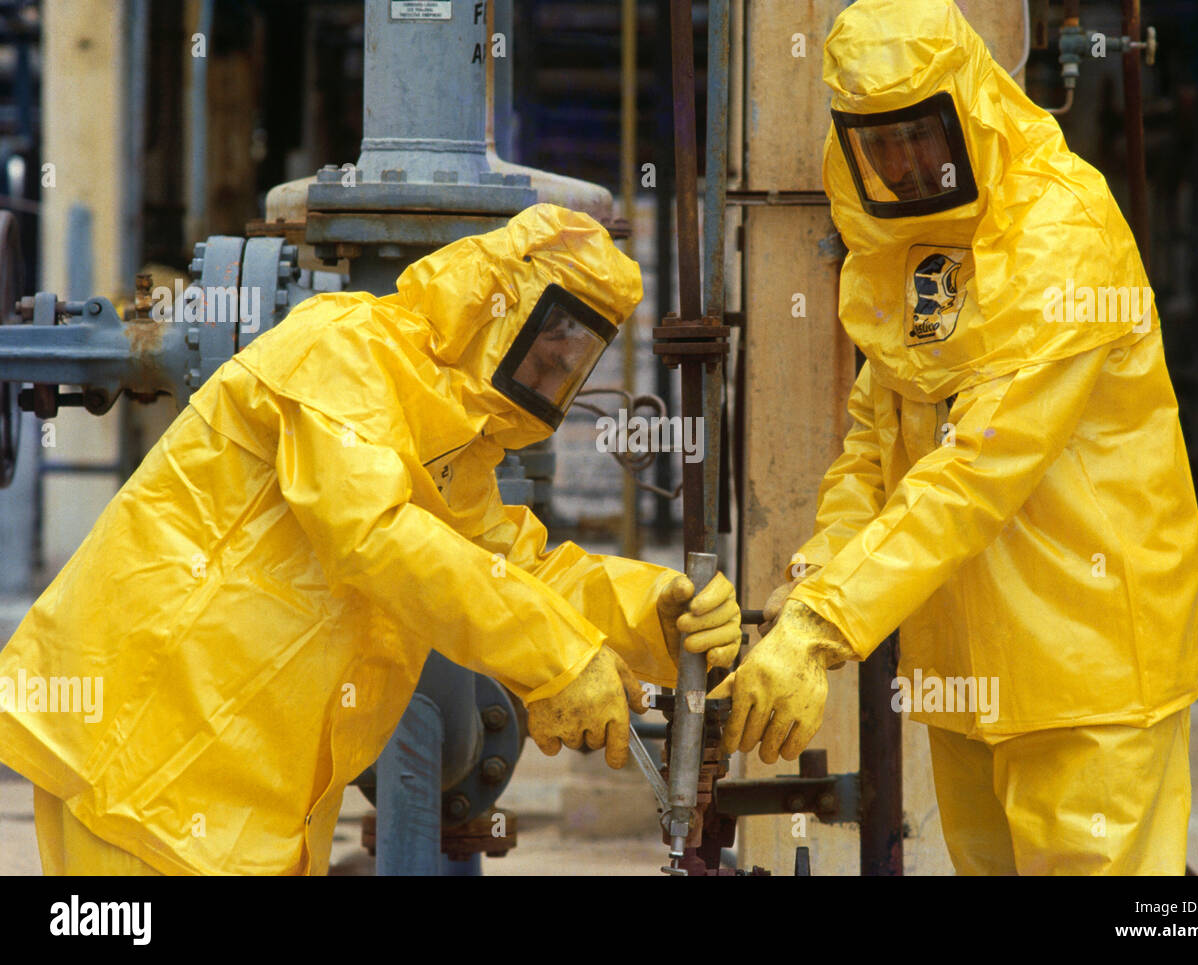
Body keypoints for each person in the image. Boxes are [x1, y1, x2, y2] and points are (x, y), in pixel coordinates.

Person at [0, 203, 741, 875]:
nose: (557, 362)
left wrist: (651, 616)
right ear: (494, 303)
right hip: (145, 758)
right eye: (552, 332)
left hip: (241, 800)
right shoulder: (346, 349)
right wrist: (557, 658)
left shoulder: (452, 447)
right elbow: (375, 534)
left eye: (579, 352)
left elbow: (517, 568)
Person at [713, 0, 1198, 875]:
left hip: (1089, 673)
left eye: (920, 138)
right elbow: (874, 451)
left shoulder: (1061, 235)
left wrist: (826, 625)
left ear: (970, 107)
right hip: (967, 678)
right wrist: (806, 598)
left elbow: (973, 471)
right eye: (879, 145)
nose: (904, 168)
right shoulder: (900, 244)